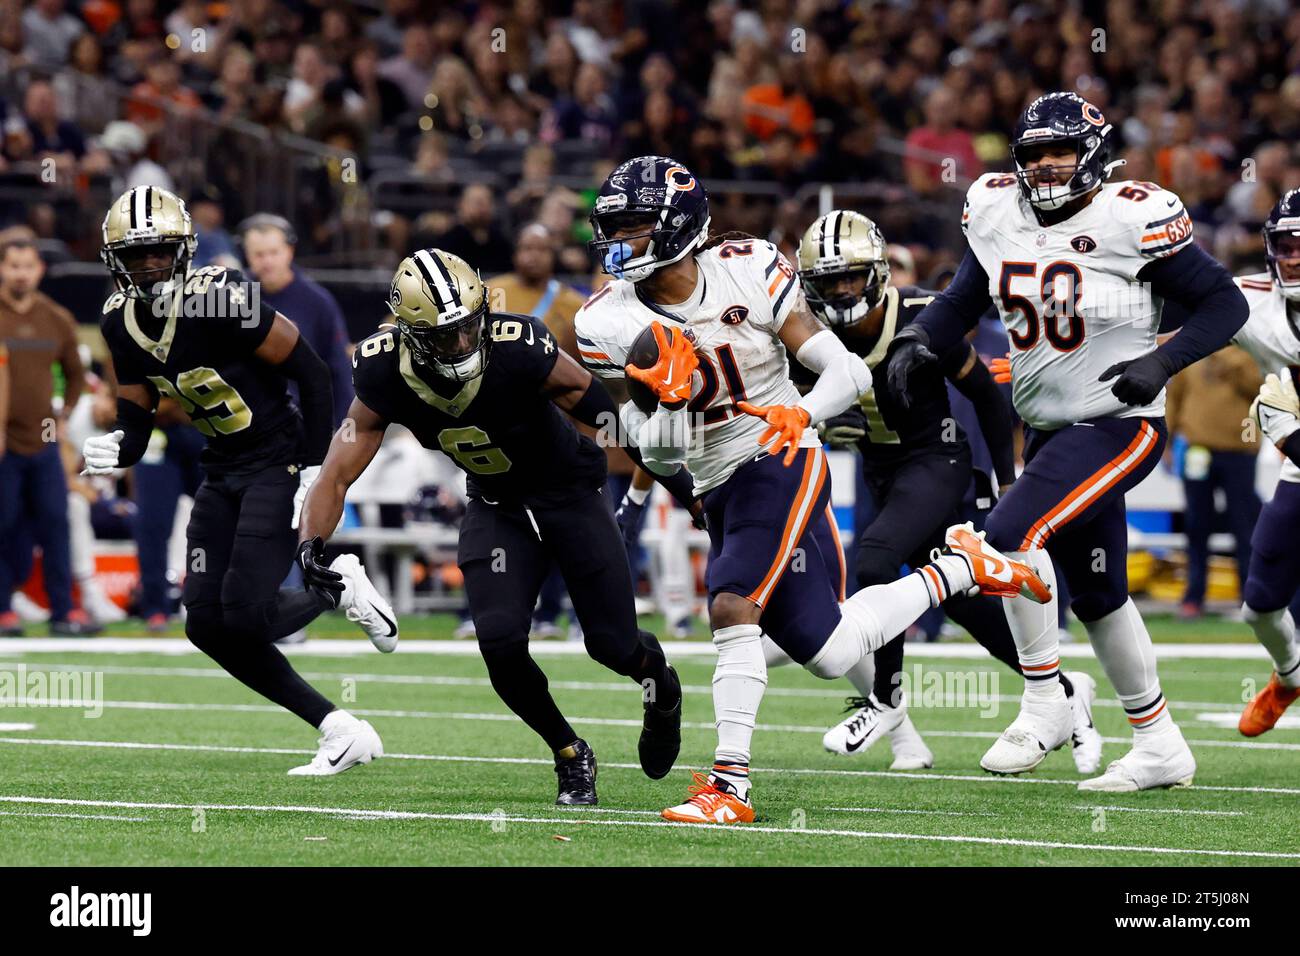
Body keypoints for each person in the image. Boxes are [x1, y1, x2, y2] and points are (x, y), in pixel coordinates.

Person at [576, 155, 1052, 824]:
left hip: (782, 455)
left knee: (733, 606)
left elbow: (846, 371)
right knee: (828, 651)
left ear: (677, 225)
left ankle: (730, 787)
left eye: (632, 228)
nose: (617, 243)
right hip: (716, 481)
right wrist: (669, 402)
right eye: (612, 228)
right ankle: (961, 568)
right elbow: (656, 448)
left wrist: (802, 412)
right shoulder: (605, 320)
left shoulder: (748, 267)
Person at [886, 93, 1248, 791]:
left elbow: (1225, 302)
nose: (1046, 166)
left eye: (1059, 151)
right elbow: (964, 299)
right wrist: (917, 340)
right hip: (1050, 427)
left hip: (1120, 423)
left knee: (1011, 533)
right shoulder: (994, 209)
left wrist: (1162, 361)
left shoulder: (1131, 215)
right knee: (1099, 593)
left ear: (1093, 154)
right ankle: (1159, 743)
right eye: (1032, 154)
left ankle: (1045, 702)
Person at [299, 247, 688, 806]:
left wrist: (679, 487)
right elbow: (338, 469)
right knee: (500, 643)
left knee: (612, 646)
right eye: (443, 336)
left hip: (569, 493)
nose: (461, 344)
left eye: (467, 328)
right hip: (497, 502)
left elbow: (599, 408)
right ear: (409, 334)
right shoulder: (383, 370)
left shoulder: (519, 343)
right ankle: (569, 754)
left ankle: (663, 688)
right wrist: (310, 542)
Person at [80, 186, 394, 775]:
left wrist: (315, 469)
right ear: (114, 259)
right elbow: (137, 418)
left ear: (185, 250)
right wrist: (118, 446)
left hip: (275, 460)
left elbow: (313, 370)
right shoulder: (118, 323)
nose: (149, 265)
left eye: (160, 251)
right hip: (221, 468)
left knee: (244, 614)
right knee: (205, 622)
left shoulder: (221, 299)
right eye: (137, 254)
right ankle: (340, 729)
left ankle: (337, 587)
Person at [787, 210, 1101, 773]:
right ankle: (1064, 690)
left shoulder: (919, 318)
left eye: (851, 276)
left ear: (877, 272)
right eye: (828, 281)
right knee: (967, 605)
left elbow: (986, 394)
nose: (840, 290)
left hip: (937, 459)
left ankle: (885, 698)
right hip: (881, 471)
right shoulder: (805, 333)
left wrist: (1009, 480)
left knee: (874, 564)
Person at [1164, 190, 1300, 735]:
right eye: (1285, 244)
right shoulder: (1251, 300)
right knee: (1259, 602)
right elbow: (1168, 309)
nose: (1292, 256)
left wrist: (1287, 431)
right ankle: (1290, 674)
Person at [0, 236, 98, 636]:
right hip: (3, 443)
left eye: (28, 266)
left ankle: (64, 611)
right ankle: (3, 610)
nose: (21, 273)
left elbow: (77, 375)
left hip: (44, 440)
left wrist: (65, 413)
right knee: (3, 526)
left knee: (57, 522)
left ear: (39, 270)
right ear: (2, 269)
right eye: (13, 266)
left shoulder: (57, 318)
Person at [1164, 346, 1261, 618]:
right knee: (1196, 526)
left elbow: (1259, 389)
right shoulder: (1193, 352)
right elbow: (1174, 398)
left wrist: (1229, 358)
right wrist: (1168, 441)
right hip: (1198, 449)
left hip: (1241, 448)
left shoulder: (1250, 354)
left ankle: (1250, 599)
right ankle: (1193, 598)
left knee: (1245, 527)